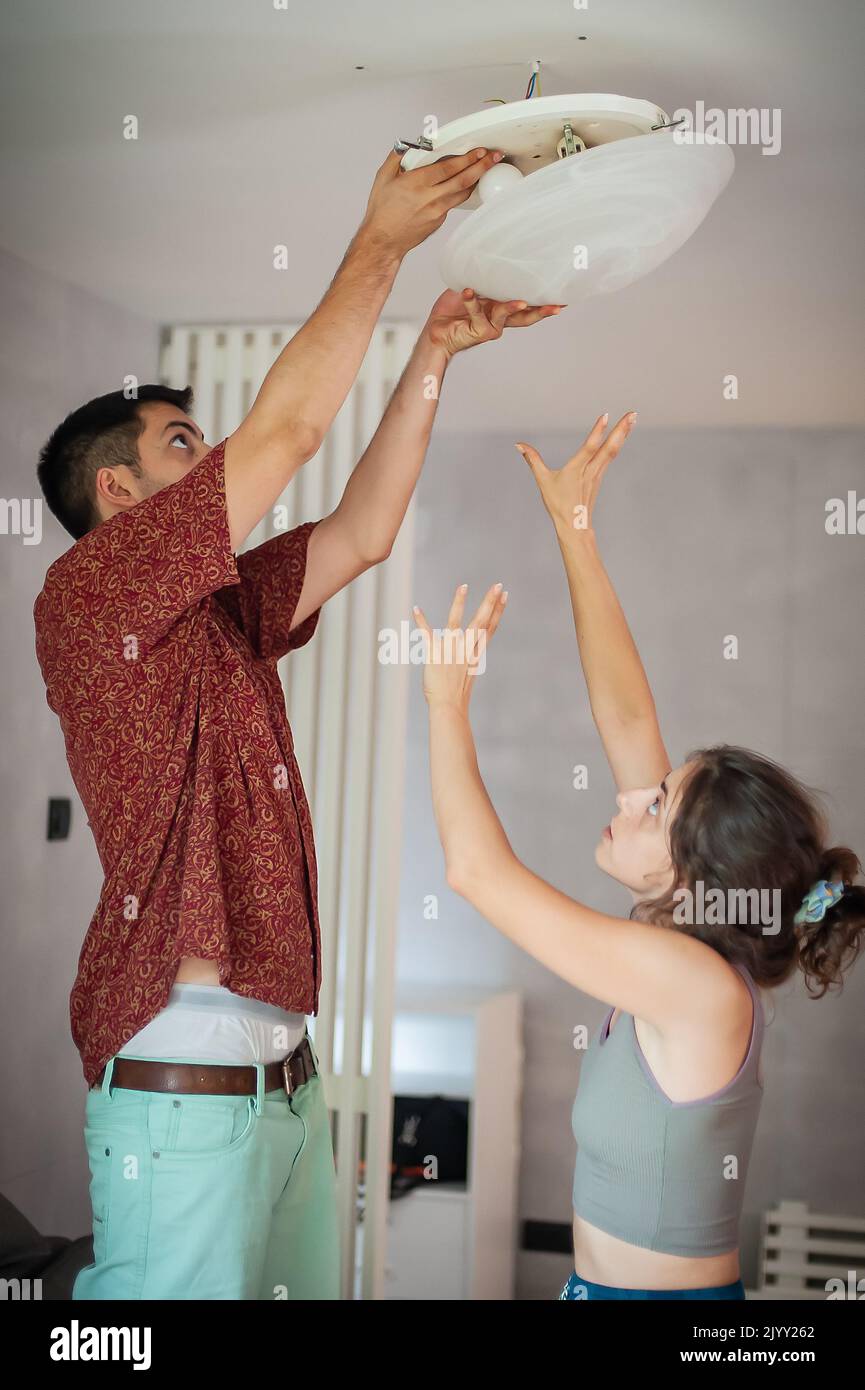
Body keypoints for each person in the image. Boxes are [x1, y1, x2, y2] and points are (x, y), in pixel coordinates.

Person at [33, 145, 563, 1301]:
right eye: (182, 441)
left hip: (283, 1091)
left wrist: (431, 352)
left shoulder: (214, 609)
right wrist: (382, 242)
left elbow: (362, 530)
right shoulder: (93, 593)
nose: (213, 454)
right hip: (182, 1094)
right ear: (116, 495)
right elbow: (286, 439)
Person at [413, 410, 865, 1301]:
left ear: (695, 873)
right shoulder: (692, 939)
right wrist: (574, 529)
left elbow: (476, 872)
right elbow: (625, 718)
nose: (633, 796)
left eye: (657, 804)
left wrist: (444, 707)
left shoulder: (689, 979)